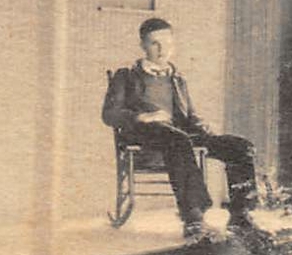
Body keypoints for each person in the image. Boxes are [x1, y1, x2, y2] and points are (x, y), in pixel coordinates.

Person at [102, 18, 258, 239]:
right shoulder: (126, 76)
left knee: (240, 146)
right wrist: (143, 116)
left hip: (178, 137)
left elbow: (188, 115)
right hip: (145, 136)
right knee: (177, 138)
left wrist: (202, 125)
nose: (161, 49)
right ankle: (193, 215)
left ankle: (242, 212)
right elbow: (110, 114)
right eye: (154, 43)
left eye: (166, 43)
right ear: (143, 45)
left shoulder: (177, 79)